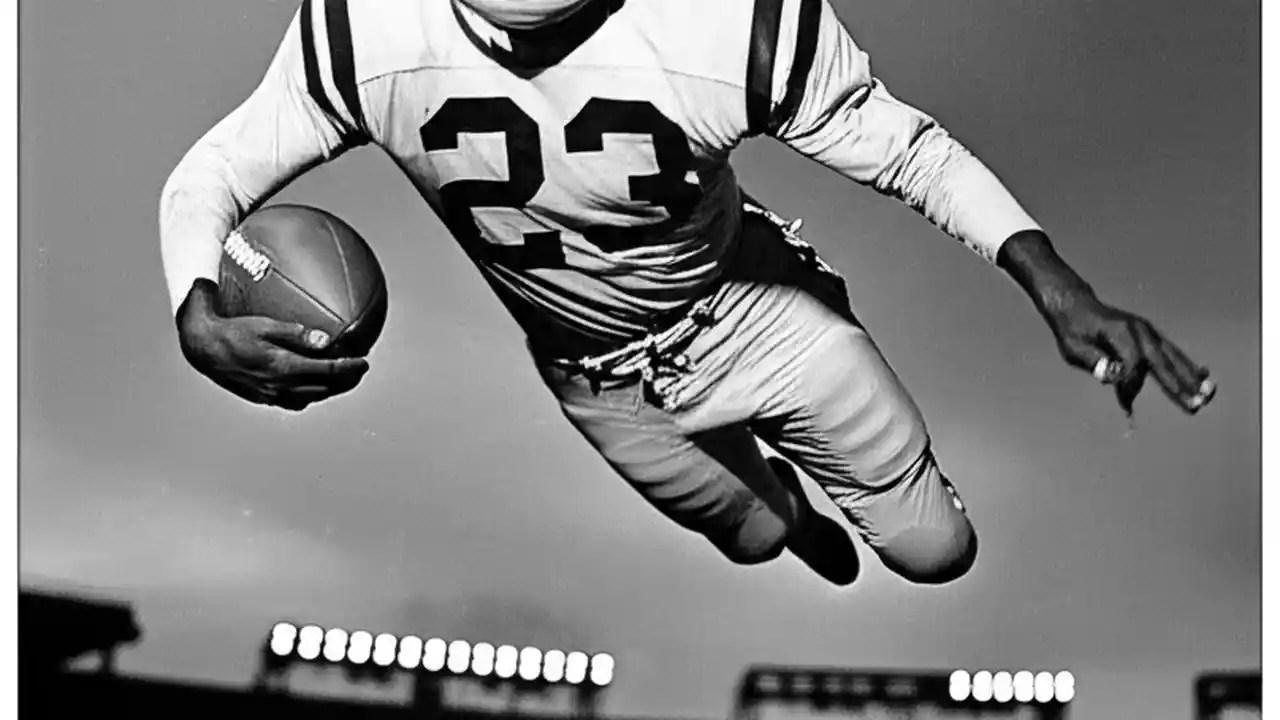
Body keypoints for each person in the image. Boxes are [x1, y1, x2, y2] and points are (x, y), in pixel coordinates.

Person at [160, 0, 1216, 588]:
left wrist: (1056, 288)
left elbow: (912, 155)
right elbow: (210, 175)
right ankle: (785, 505)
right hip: (594, 377)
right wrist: (195, 311)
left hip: (749, 312)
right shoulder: (366, 31)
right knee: (756, 538)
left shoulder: (722, 23)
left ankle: (803, 465)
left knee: (937, 555)